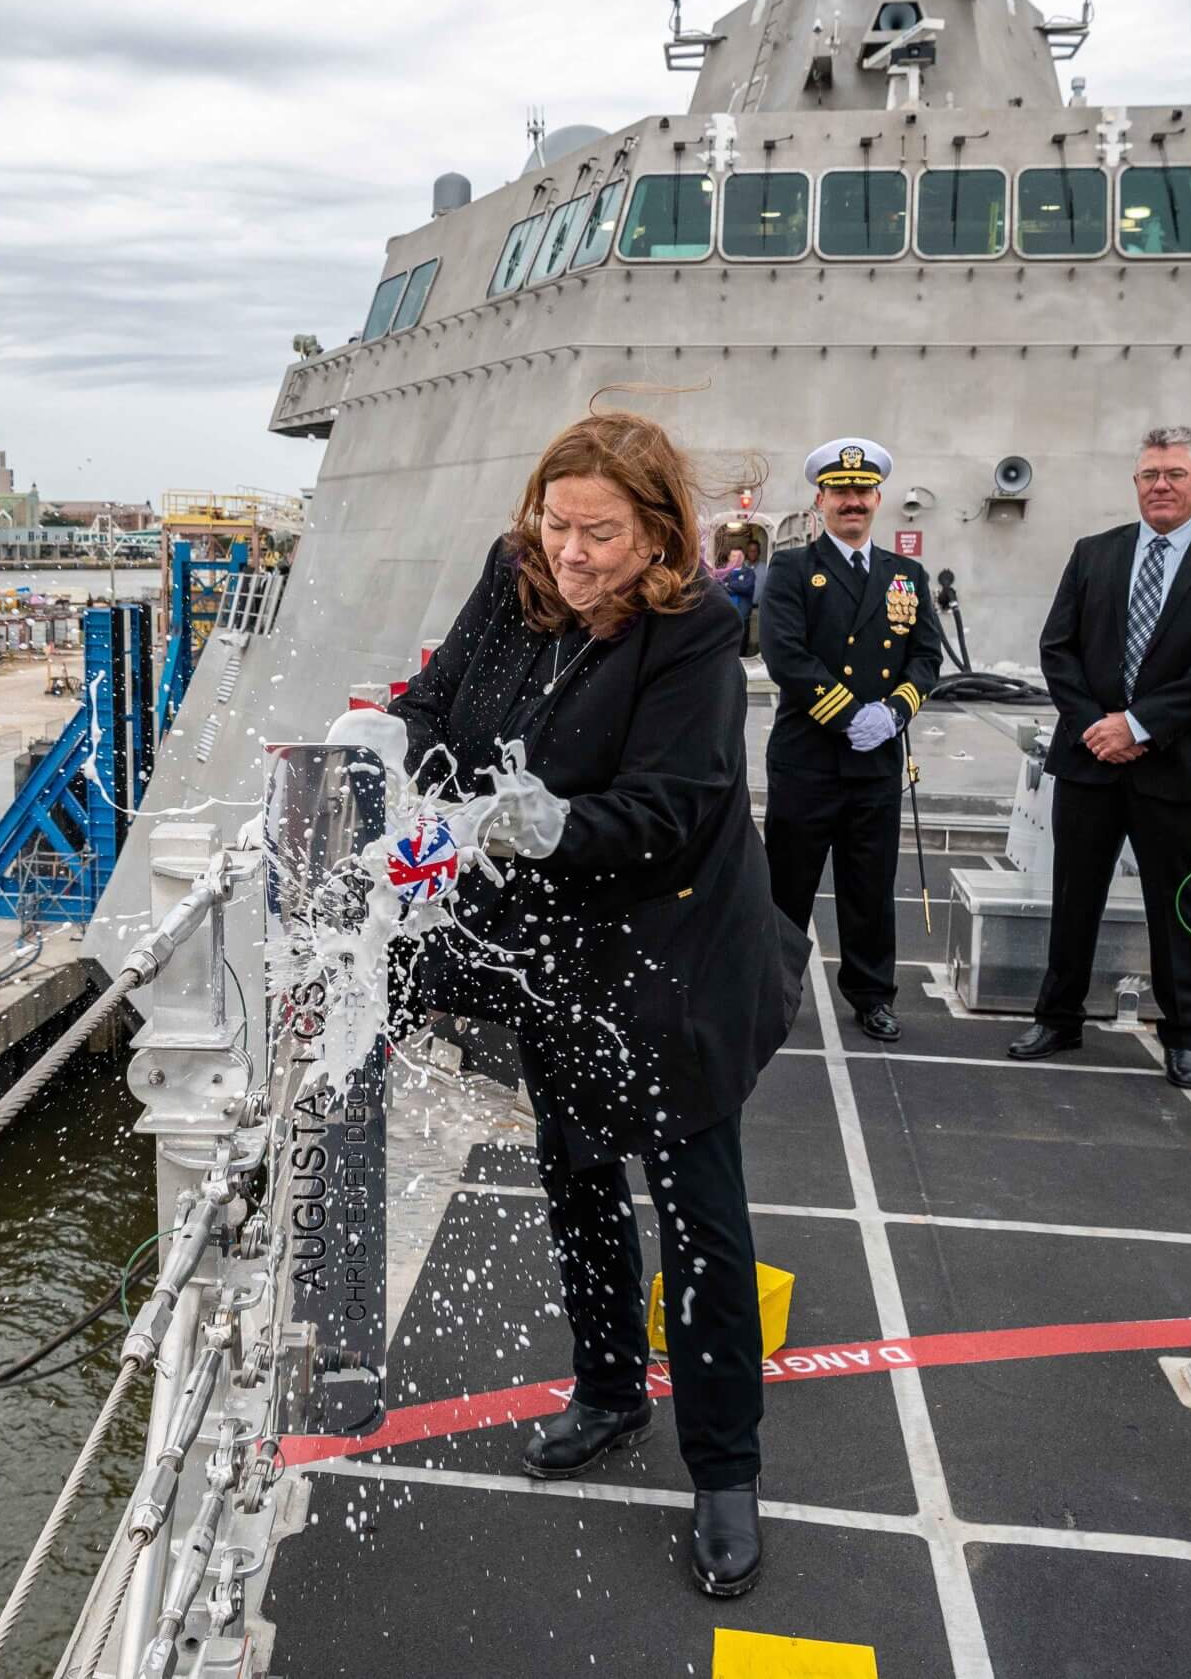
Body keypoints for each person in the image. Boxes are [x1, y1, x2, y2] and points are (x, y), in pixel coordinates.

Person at [390, 410, 801, 1599]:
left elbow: (677, 801)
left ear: (659, 533)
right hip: (559, 948)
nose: (570, 555)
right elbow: (436, 705)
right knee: (575, 1176)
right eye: (556, 526)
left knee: (700, 1218)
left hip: (675, 952)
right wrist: (410, 770)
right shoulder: (512, 569)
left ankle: (726, 1472)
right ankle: (612, 1389)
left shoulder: (695, 629)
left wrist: (551, 821)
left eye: (601, 535)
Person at [1008, 426, 1191, 1087]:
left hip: (1177, 766)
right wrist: (1097, 725)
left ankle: (1185, 1033)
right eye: (1150, 473)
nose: (1160, 485)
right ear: (1136, 481)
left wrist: (1141, 724)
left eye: (1175, 474)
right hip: (1091, 758)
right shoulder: (1094, 553)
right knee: (1072, 897)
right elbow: (1057, 647)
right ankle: (1058, 1016)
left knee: (1177, 904)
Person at [758, 438, 945, 1041]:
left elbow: (926, 657)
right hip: (808, 759)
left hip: (876, 763)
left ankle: (871, 995)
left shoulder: (906, 576)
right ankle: (767, 993)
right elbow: (785, 654)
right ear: (821, 499)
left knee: (869, 887)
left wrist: (893, 713)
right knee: (787, 886)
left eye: (862, 492)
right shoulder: (790, 568)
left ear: (878, 499)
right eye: (841, 492)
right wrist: (847, 716)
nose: (853, 502)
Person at [717, 544, 759, 655]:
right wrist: (737, 586)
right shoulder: (722, 572)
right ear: (729, 558)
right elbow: (719, 588)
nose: (735, 558)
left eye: (738, 556)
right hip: (725, 616)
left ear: (743, 558)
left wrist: (728, 584)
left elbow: (747, 588)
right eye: (733, 556)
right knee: (725, 646)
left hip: (743, 616)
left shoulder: (749, 572)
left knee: (741, 647)